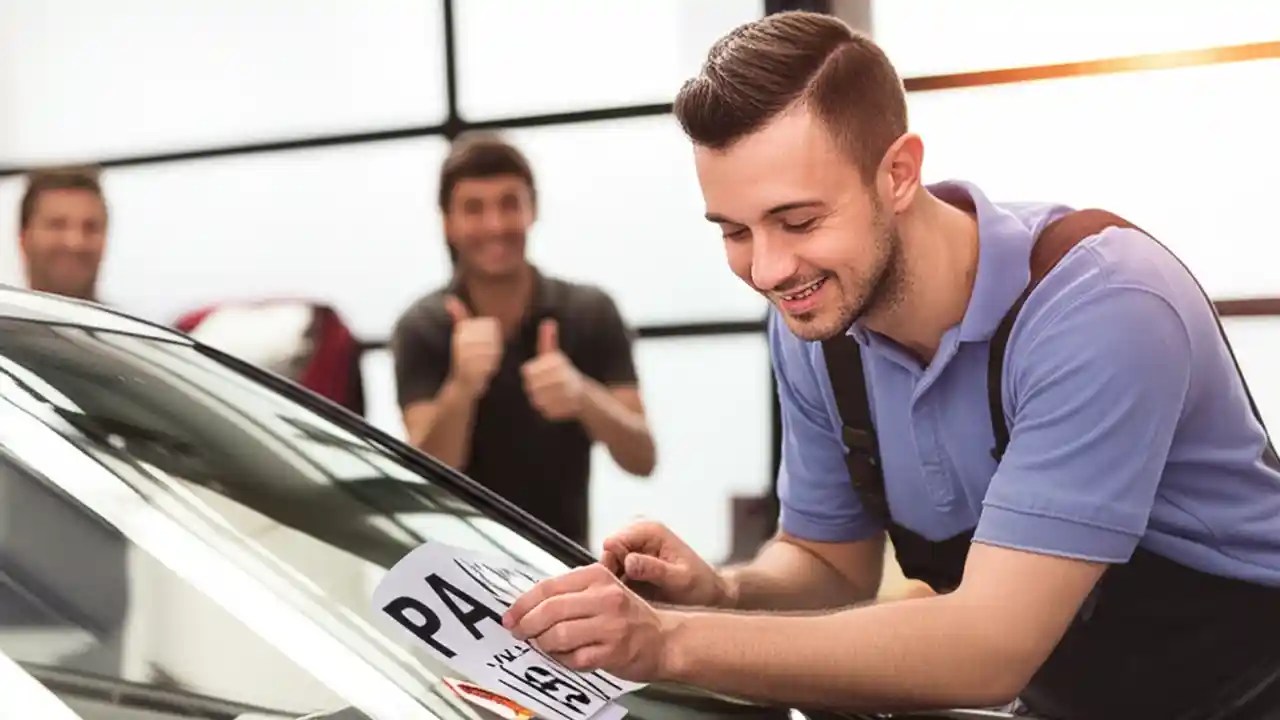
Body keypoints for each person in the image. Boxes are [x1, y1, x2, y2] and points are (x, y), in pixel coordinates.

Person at [501, 12, 1280, 718]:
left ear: (899, 173)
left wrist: (670, 640)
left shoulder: (1102, 306)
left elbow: (988, 649)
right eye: (734, 231)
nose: (768, 269)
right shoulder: (817, 323)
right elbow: (825, 566)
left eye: (797, 220)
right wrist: (724, 590)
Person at [391, 134, 657, 548]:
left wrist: (582, 395)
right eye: (474, 209)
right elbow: (428, 477)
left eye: (509, 204)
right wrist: (462, 387)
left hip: (563, 562)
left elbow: (642, 457)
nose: (494, 225)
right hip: (454, 567)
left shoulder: (589, 311)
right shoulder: (421, 325)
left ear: (532, 210)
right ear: (447, 221)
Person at [16, 166, 109, 302]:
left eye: (90, 227)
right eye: (57, 225)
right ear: (24, 238)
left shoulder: (128, 323)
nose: (75, 242)